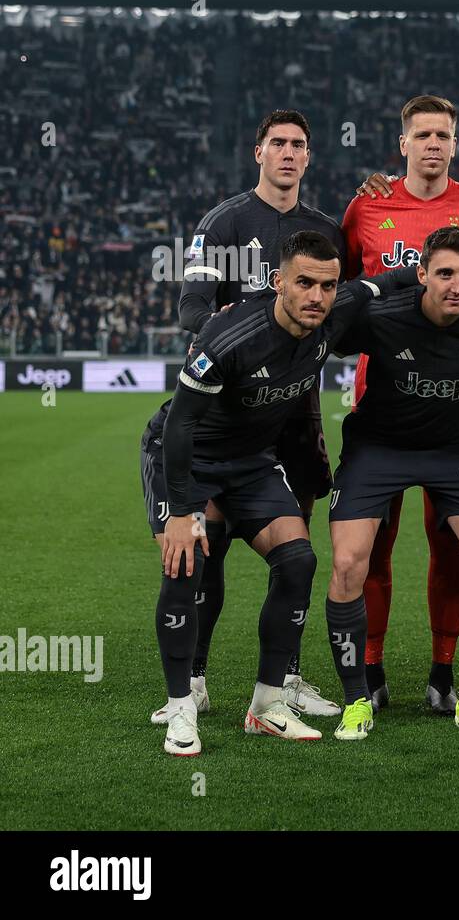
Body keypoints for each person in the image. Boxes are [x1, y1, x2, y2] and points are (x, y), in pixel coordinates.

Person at [141, 231, 383, 756]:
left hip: (251, 462)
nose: (317, 296)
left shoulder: (334, 313)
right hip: (188, 458)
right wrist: (180, 512)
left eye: (327, 285)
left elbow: (392, 280)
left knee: (298, 561)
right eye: (304, 283)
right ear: (278, 282)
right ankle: (181, 705)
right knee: (186, 562)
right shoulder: (228, 336)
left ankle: (267, 705)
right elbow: (180, 424)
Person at [153, 109, 344, 725]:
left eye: (298, 145)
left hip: (294, 406)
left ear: (308, 156)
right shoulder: (224, 223)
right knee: (208, 548)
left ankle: (283, 679)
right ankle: (194, 678)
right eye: (277, 143)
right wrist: (235, 330)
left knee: (295, 545)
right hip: (230, 398)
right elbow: (191, 308)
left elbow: (348, 301)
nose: (288, 153)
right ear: (258, 151)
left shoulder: (325, 229)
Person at [324, 226, 459, 740]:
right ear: (422, 275)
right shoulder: (384, 317)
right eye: (444, 274)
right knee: (347, 564)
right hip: (377, 450)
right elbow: (329, 316)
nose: (457, 286)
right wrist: (385, 281)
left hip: (454, 452)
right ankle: (356, 700)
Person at [341, 94, 459, 714]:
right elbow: (344, 290)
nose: (433, 144)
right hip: (380, 404)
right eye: (423, 134)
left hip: (455, 408)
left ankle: (443, 673)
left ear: (455, 143)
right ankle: (371, 670)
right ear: (403, 143)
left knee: (452, 546)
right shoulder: (366, 205)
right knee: (372, 550)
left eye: (444, 134)